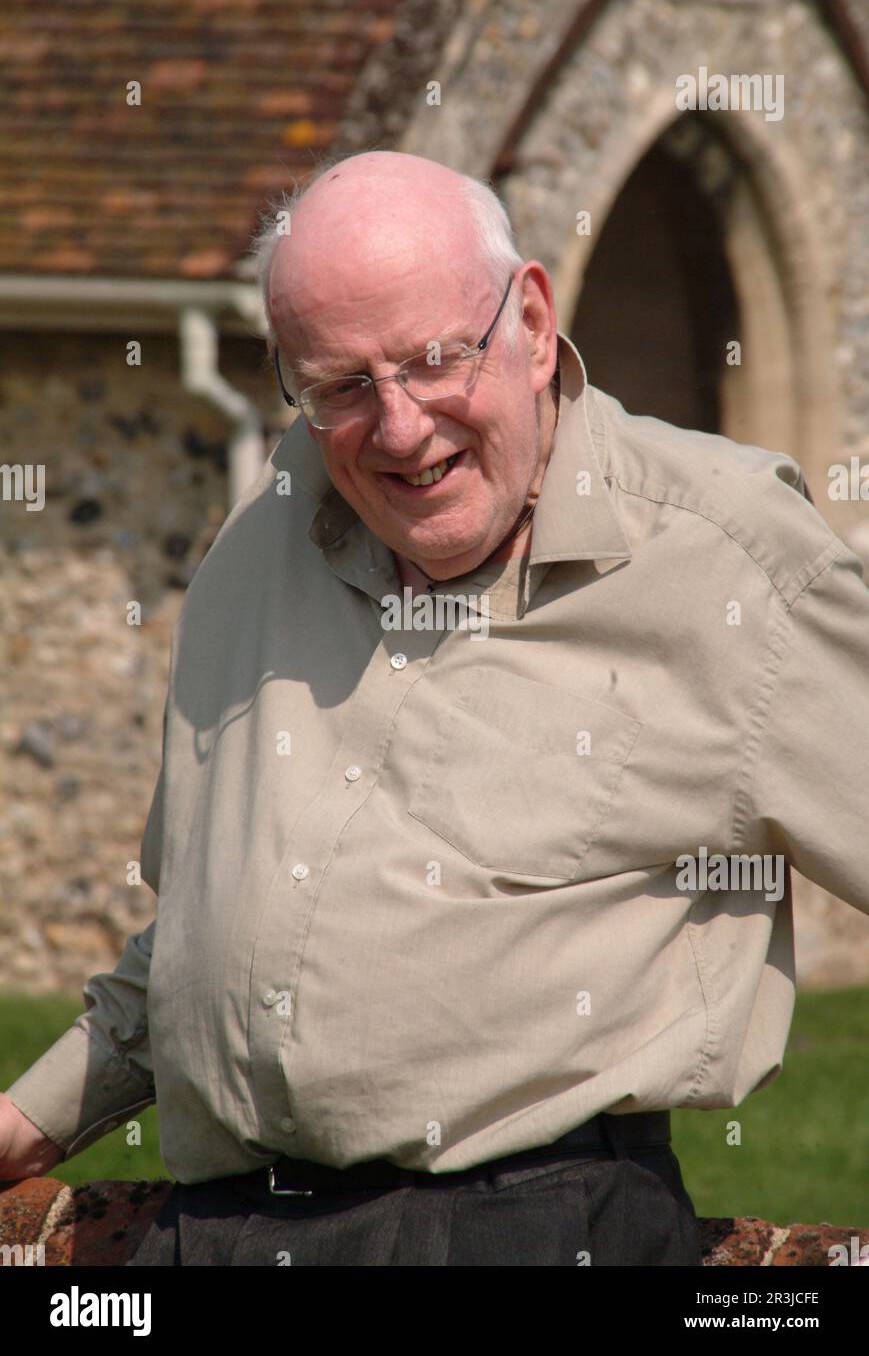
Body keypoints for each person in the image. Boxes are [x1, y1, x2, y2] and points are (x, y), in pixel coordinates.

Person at [2, 150, 867, 1267]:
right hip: (214, 1234)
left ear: (535, 320)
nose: (399, 430)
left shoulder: (732, 564)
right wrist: (35, 1113)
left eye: (431, 360)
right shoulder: (262, 539)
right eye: (340, 388)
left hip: (525, 1229)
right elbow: (220, 914)